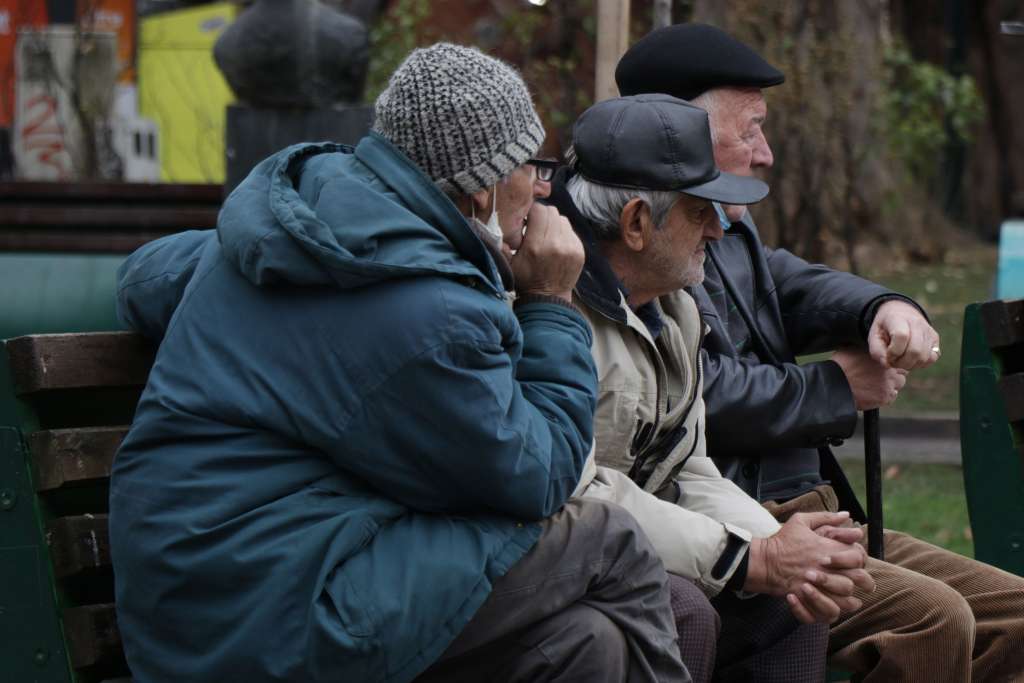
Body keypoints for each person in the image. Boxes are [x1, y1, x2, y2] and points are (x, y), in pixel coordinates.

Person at [109, 43, 689, 682]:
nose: (545, 185)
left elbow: (142, 280)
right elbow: (540, 478)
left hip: (208, 586)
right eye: (530, 162)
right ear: (483, 184)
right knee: (610, 541)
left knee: (586, 643)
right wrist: (550, 303)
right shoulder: (427, 312)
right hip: (270, 614)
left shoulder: (306, 230)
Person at [615, 22, 1024, 681]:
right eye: (748, 128)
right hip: (737, 519)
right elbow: (688, 394)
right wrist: (837, 387)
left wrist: (883, 307)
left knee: (1017, 613)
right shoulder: (632, 231)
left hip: (811, 511)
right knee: (933, 619)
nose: (767, 152)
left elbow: (792, 281)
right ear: (674, 130)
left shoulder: (729, 229)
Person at [548, 93, 875, 682]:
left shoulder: (673, 307)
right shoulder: (552, 312)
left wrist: (783, 548)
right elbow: (577, 495)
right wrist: (750, 557)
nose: (718, 231)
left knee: (791, 603)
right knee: (683, 610)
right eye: (701, 212)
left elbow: (685, 467)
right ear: (637, 224)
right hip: (554, 556)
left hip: (634, 550)